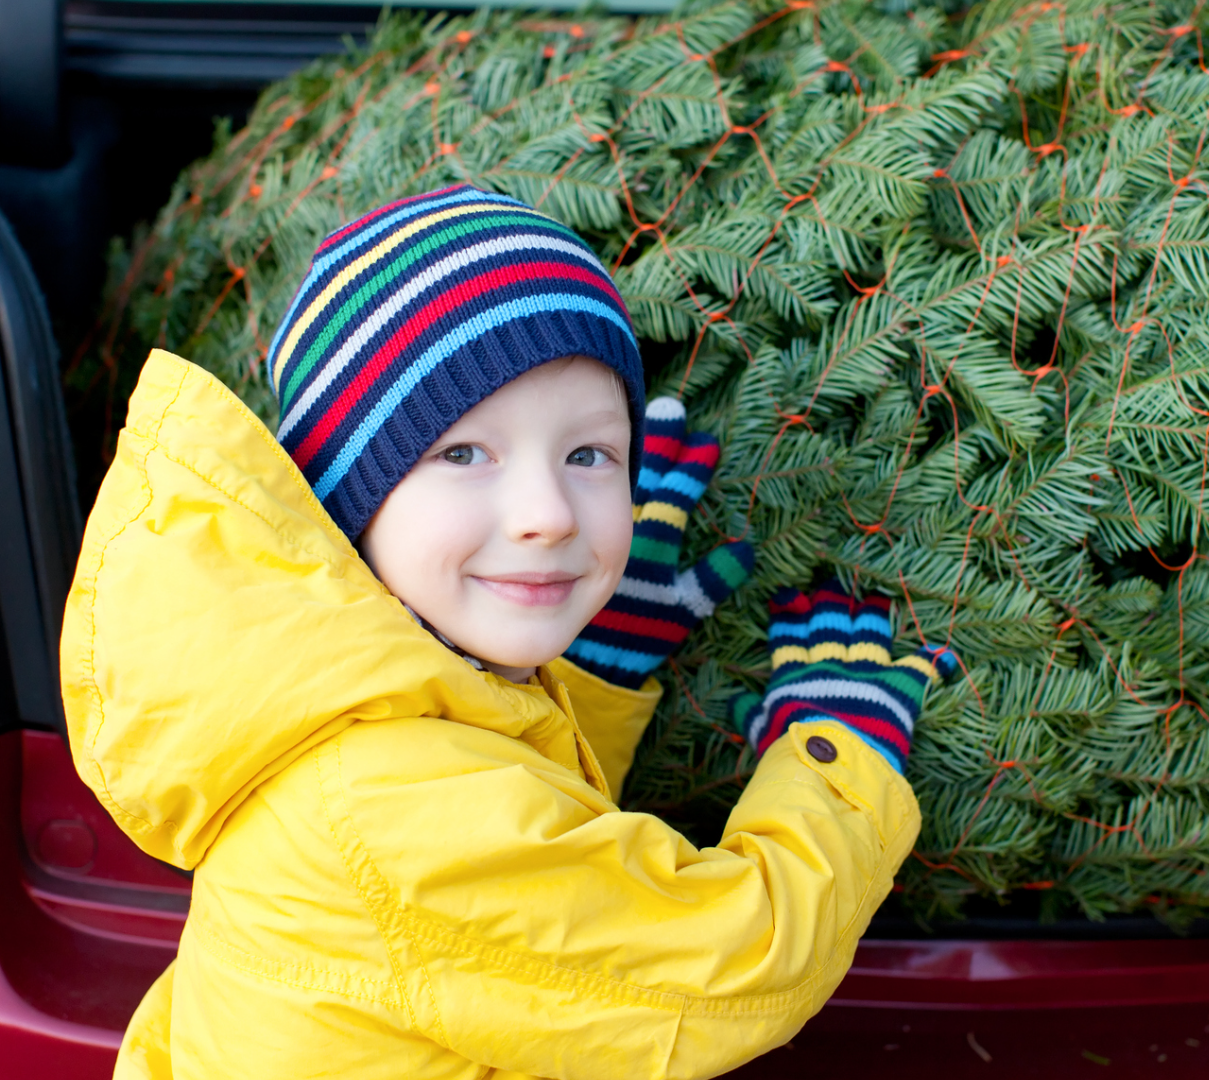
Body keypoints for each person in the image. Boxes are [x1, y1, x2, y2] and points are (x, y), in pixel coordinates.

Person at [60, 184, 956, 1080]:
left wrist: (593, 674)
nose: (548, 514)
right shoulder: (388, 813)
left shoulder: (351, 714)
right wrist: (838, 756)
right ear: (349, 504)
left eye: (588, 455)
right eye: (463, 453)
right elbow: (734, 965)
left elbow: (510, 820)